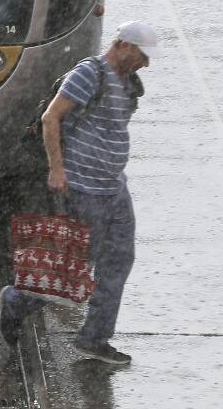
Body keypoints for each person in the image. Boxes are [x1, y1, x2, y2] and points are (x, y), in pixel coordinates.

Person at [31, 21, 159, 366]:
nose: (145, 64)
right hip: (85, 189)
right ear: (123, 46)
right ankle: (16, 300)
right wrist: (57, 169)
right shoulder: (90, 74)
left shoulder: (127, 82)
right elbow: (51, 118)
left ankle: (94, 339)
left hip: (115, 187)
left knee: (118, 260)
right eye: (142, 56)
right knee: (72, 268)